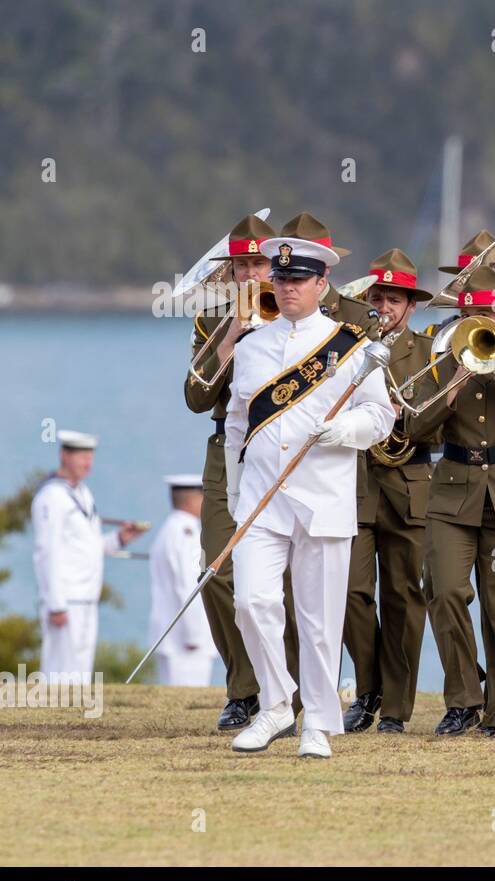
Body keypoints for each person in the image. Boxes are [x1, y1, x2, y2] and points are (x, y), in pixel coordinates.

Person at [224, 235, 395, 758]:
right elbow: (237, 423)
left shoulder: (353, 348)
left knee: (320, 619)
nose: (286, 288)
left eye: (297, 280)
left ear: (322, 284)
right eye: (279, 279)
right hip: (261, 498)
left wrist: (346, 429)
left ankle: (318, 724)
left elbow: (382, 417)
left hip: (323, 495)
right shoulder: (251, 346)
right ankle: (277, 705)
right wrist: (235, 491)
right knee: (251, 601)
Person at [405, 264, 495, 737]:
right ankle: (463, 699)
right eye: (472, 317)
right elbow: (413, 430)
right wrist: (452, 387)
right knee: (444, 591)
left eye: (489, 315)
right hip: (452, 495)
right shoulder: (441, 364)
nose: (481, 324)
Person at [184, 212, 301, 730]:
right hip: (226, 451)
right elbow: (195, 396)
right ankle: (244, 688)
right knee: (217, 569)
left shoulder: (296, 315)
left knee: (291, 576)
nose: (252, 274)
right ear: (230, 273)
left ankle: (292, 691)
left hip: (286, 446)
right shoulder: (213, 319)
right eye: (243, 266)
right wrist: (233, 333)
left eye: (260, 264)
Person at [341, 249, 437, 734]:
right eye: (375, 297)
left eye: (393, 298)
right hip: (354, 482)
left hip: (409, 484)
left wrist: (407, 415)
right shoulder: (347, 346)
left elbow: (443, 428)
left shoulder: (428, 352)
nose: (383, 306)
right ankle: (368, 688)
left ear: (411, 305)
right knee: (350, 592)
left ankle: (396, 708)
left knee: (404, 597)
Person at [32, 431, 146, 681]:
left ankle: (71, 720)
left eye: (90, 456)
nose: (88, 463)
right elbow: (46, 552)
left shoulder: (82, 493)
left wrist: (119, 539)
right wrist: (55, 603)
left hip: (86, 596)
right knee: (58, 671)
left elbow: (87, 544)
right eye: (82, 456)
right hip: (65, 597)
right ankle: (49, 720)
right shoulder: (51, 497)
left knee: (79, 672)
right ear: (64, 455)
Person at [149, 475, 218, 687]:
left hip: (173, 635)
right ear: (190, 501)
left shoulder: (170, 529)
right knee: (187, 698)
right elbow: (189, 586)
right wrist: (194, 634)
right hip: (185, 640)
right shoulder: (186, 533)